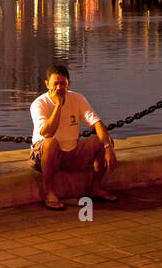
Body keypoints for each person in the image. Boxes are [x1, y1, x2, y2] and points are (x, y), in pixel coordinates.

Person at [29, 64, 118, 210]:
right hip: (46, 154)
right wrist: (58, 106)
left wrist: (108, 148)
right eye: (55, 84)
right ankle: (50, 193)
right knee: (51, 143)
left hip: (72, 153)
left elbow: (97, 123)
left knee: (103, 141)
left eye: (62, 83)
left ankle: (96, 188)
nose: (59, 88)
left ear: (68, 83)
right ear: (47, 84)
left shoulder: (77, 98)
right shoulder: (39, 103)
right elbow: (47, 133)